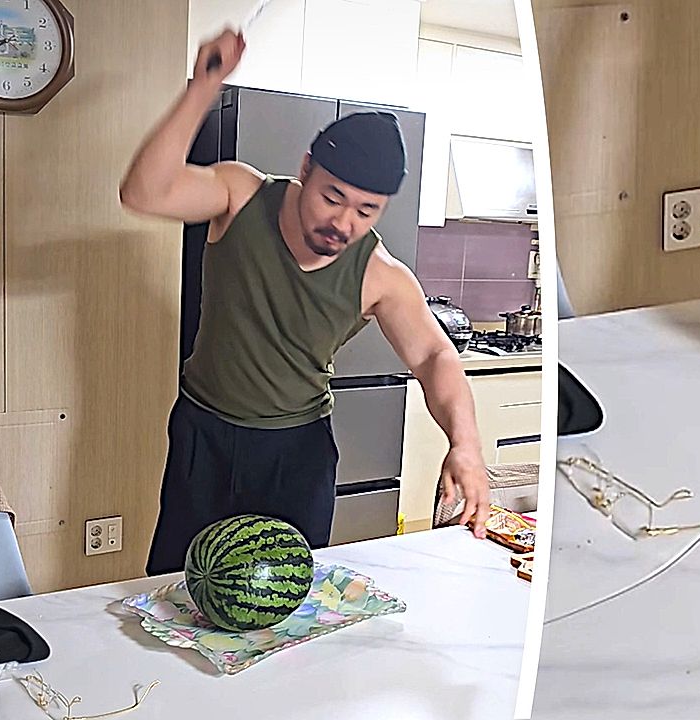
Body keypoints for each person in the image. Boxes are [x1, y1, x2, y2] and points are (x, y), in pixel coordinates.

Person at [121, 30, 491, 575]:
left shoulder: (381, 275)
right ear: (305, 169)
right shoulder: (239, 195)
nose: (344, 223)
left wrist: (466, 444)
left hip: (296, 454)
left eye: (367, 210)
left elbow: (436, 357)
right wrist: (204, 87)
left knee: (287, 601)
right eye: (332, 197)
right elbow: (143, 192)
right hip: (206, 436)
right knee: (180, 587)